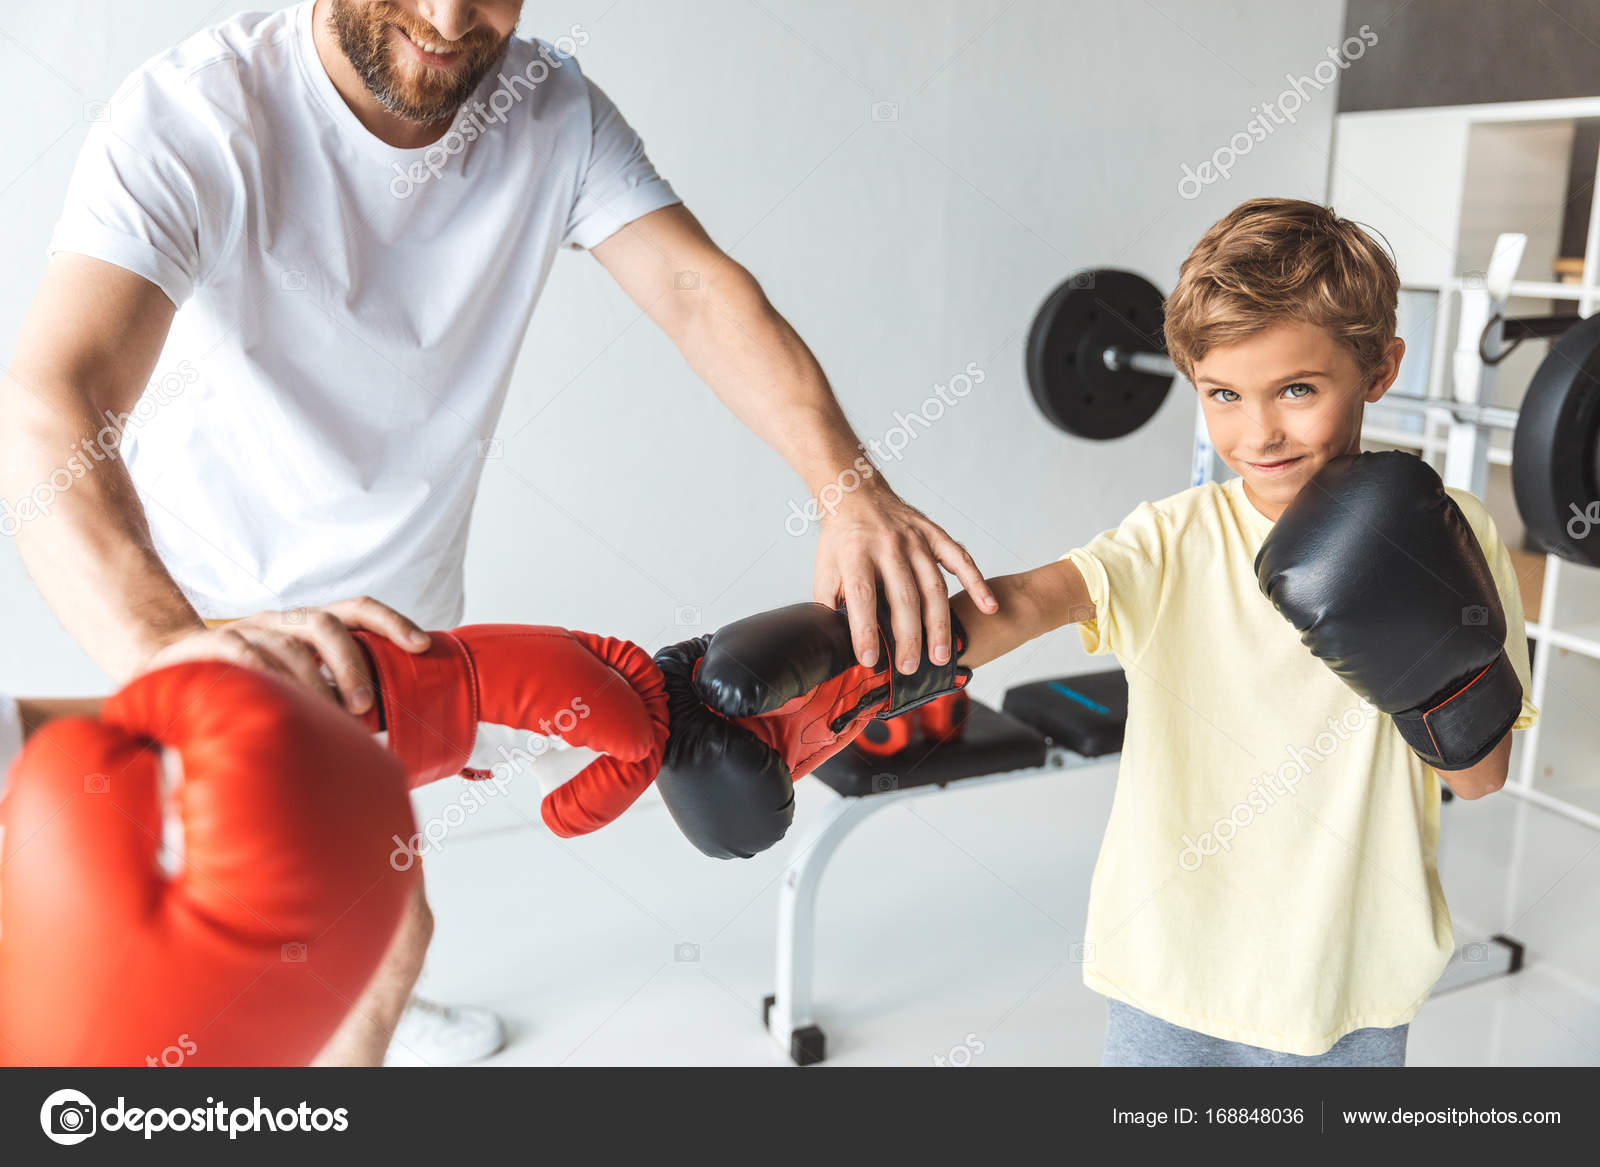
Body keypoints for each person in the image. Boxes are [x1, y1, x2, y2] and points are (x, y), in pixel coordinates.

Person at [0, 1, 993, 1065]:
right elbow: (54, 396)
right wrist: (169, 650)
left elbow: (702, 293)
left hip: (410, 632)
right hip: (217, 619)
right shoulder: (197, 113)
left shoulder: (551, 110)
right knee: (284, 973)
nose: (445, 17)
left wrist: (847, 485)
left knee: (384, 943)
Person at [658, 198, 1537, 1065]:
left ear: (1380, 368)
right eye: (1224, 395)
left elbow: (1481, 775)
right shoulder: (1174, 537)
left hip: (1349, 981)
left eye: (1297, 390)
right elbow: (1024, 603)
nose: (1259, 431)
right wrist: (823, 679)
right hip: (1167, 965)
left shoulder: (1452, 533)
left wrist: (1422, 657)